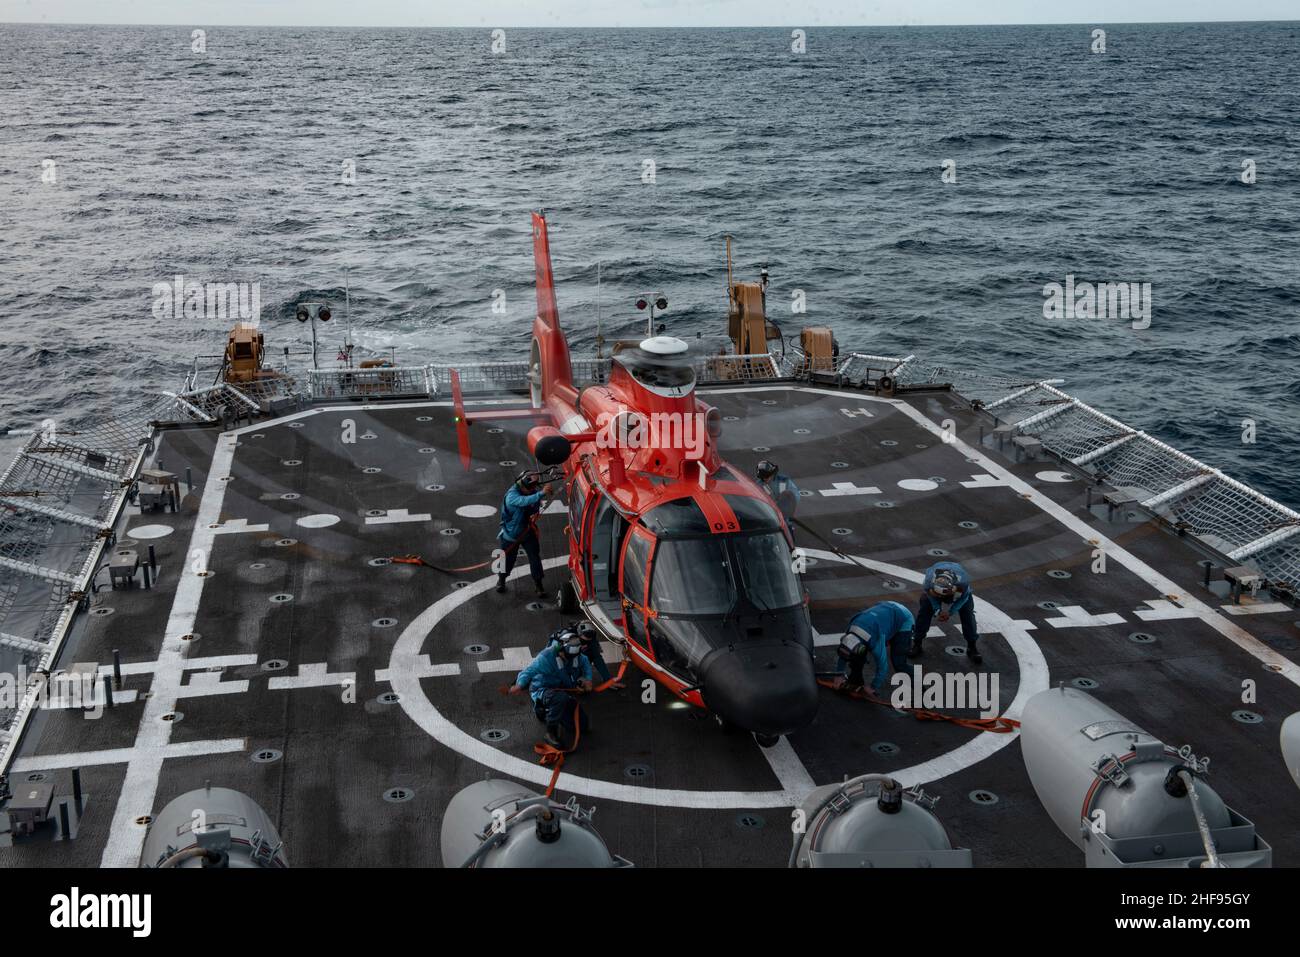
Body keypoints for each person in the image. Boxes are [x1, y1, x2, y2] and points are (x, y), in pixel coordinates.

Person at [509, 628, 593, 748]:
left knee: (582, 726)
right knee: (560, 699)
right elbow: (529, 671)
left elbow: (585, 663)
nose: (567, 659)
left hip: (562, 689)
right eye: (566, 655)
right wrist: (519, 685)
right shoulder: (547, 656)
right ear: (560, 649)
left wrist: (587, 680)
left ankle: (549, 711)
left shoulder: (576, 655)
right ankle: (550, 732)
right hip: (542, 689)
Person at [831, 600, 914, 696]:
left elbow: (883, 667)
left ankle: (921, 692)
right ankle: (856, 681)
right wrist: (839, 674)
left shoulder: (876, 641)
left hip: (903, 617)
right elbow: (845, 652)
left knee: (899, 663)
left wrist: (873, 687)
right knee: (855, 655)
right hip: (885, 609)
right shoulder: (851, 629)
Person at [908, 561, 982, 664]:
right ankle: (917, 643)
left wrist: (950, 612)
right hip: (934, 592)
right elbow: (930, 594)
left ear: (953, 589)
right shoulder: (929, 581)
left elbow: (963, 598)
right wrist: (938, 610)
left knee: (968, 615)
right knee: (924, 611)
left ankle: (972, 646)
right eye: (938, 596)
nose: (940, 599)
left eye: (942, 596)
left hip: (957, 593)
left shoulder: (962, 584)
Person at [496, 470, 552, 596]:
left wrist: (540, 495)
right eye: (530, 487)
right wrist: (541, 493)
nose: (532, 490)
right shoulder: (512, 495)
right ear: (522, 484)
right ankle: (501, 580)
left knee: (535, 558)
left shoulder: (531, 493)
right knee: (507, 560)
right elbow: (523, 501)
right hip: (511, 534)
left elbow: (533, 506)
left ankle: (539, 585)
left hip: (527, 531)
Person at [573, 620, 625, 690]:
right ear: (579, 634)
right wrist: (573, 684)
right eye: (584, 641)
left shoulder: (592, 639)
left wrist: (608, 680)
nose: (586, 644)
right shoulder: (568, 641)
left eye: (589, 640)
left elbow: (597, 659)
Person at [756, 460, 800, 526]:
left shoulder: (784, 481)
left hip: (785, 520)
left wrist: (787, 506)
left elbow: (795, 496)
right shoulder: (758, 486)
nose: (765, 479)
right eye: (763, 478)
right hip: (769, 519)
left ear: (772, 473)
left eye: (767, 476)